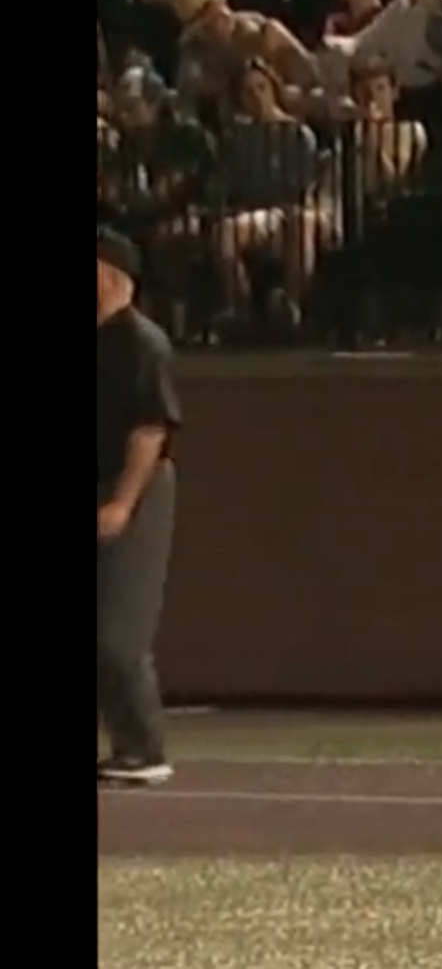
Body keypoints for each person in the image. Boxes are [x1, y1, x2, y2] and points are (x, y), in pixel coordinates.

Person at [98, 228, 183, 787]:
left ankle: (143, 749)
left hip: (136, 487)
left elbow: (151, 430)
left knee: (118, 629)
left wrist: (122, 503)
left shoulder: (139, 342)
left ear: (109, 274)